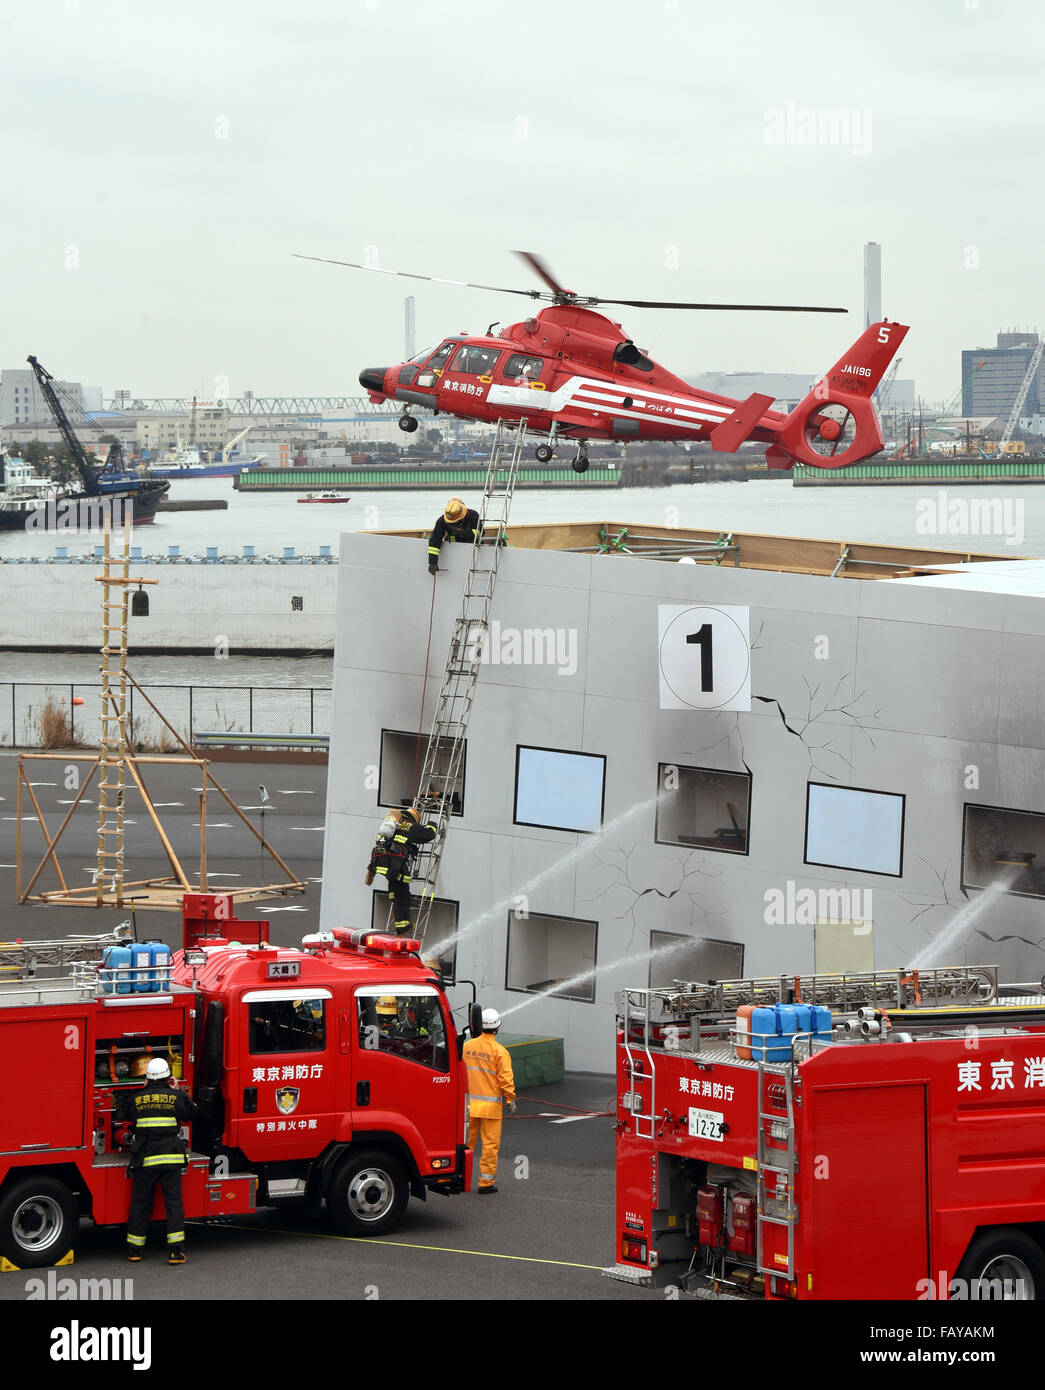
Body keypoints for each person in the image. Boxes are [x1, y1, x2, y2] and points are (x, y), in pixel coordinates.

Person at [117, 1057, 198, 1265]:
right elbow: (192, 1113)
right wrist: (179, 1090)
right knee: (173, 1203)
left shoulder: (136, 1099)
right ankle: (175, 1252)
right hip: (170, 1157)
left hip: (145, 1157)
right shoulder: (176, 1096)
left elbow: (128, 1118)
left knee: (141, 1203)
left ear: (147, 1078)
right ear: (168, 1077)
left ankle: (135, 1250)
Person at [463, 1007, 516, 1194]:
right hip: (490, 1109)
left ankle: (461, 1177)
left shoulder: (467, 1046)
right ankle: (485, 1183)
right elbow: (505, 1079)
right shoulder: (500, 1051)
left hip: (468, 1106)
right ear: (497, 1028)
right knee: (490, 1145)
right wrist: (510, 1099)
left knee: (466, 1144)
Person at [365, 806, 438, 934]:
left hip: (380, 861)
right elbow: (428, 834)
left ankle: (386, 891)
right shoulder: (411, 826)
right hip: (395, 864)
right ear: (414, 818)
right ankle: (403, 926)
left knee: (395, 889)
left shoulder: (391, 825)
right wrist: (432, 824)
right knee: (403, 895)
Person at [427, 498, 480, 574]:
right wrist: (432, 563)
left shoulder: (473, 515)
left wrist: (462, 532)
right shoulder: (442, 521)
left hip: (472, 550)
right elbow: (435, 541)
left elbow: (479, 533)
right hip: (453, 550)